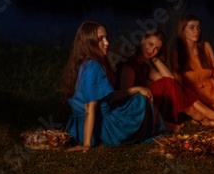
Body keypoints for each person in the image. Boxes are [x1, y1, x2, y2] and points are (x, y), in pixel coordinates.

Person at [62, 21, 165, 152]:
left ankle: (158, 126)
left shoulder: (81, 63)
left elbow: (108, 97)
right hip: (101, 129)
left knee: (138, 96)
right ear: (88, 42)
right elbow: (90, 109)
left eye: (106, 37)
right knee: (141, 102)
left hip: (78, 128)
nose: (107, 43)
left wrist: (136, 89)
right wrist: (87, 145)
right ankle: (156, 130)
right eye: (100, 39)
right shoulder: (93, 67)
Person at [119, 28, 214, 128]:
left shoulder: (144, 65)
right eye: (150, 44)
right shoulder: (130, 66)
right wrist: (141, 89)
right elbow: (124, 94)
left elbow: (169, 78)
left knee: (170, 83)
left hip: (150, 101)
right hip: (137, 106)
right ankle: (204, 116)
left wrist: (154, 58)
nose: (152, 50)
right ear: (142, 40)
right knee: (168, 83)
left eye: (157, 48)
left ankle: (204, 117)